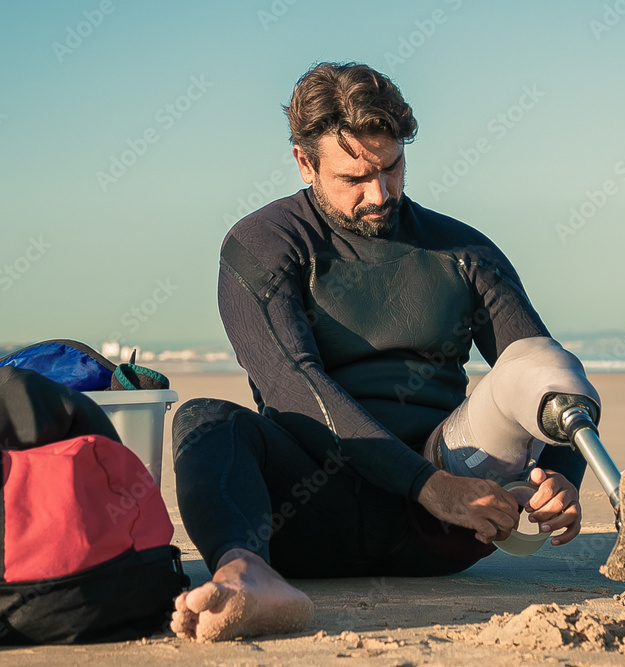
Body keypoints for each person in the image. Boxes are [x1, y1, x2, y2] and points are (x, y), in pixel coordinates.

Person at [169, 62, 600, 643]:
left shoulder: (461, 251)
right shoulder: (264, 243)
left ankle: (268, 566)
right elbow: (292, 384)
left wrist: (562, 477)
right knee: (205, 420)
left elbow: (541, 378)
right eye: (355, 178)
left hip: (444, 523)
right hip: (307, 513)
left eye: (392, 168)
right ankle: (247, 573)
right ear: (304, 162)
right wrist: (426, 485)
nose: (380, 194)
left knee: (539, 365)